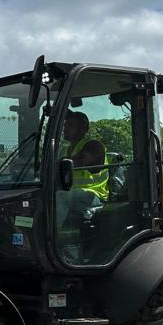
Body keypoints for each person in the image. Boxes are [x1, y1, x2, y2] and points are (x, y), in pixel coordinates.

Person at [55, 112, 109, 264]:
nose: (65, 128)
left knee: (61, 197)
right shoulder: (68, 149)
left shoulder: (94, 146)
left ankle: (48, 235)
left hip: (94, 196)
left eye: (70, 125)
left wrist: (53, 165)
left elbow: (79, 161)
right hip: (75, 196)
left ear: (83, 128)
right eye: (65, 125)